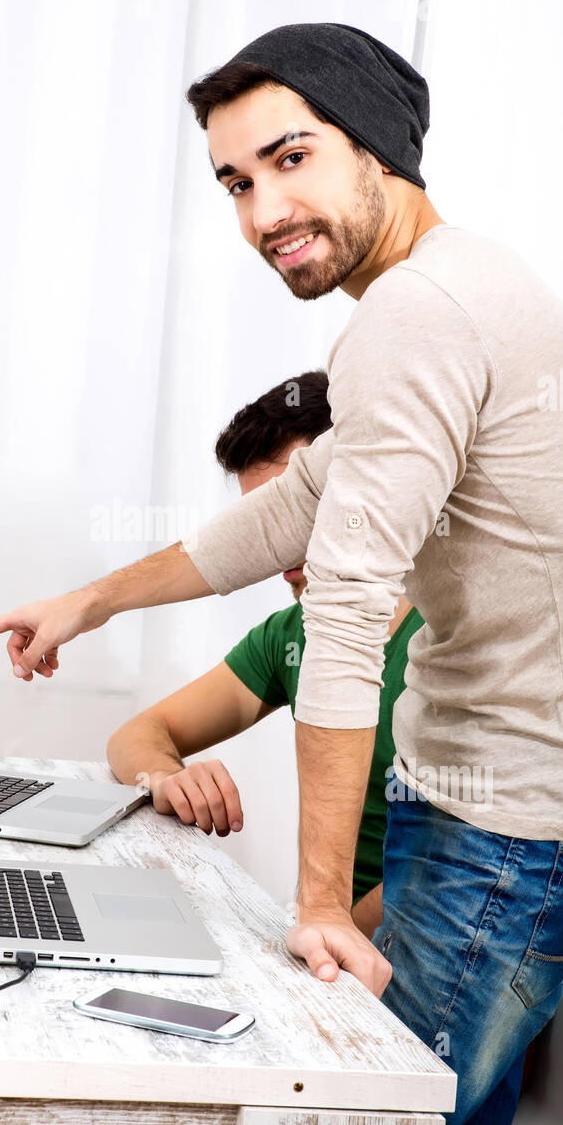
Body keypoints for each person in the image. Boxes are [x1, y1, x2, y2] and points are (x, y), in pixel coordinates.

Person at [0, 23, 563, 1125]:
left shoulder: (414, 316)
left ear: (377, 150)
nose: (259, 214)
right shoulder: (455, 289)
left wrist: (320, 907)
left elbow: (343, 615)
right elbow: (292, 507)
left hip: (502, 835)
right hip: (506, 826)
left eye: (290, 160)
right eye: (235, 182)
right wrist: (89, 603)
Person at [106, 369, 422, 941]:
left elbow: (446, 866)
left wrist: (326, 939)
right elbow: (137, 734)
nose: (278, 550)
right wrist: (166, 777)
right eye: (265, 525)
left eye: (295, 513)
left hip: (427, 939)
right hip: (334, 938)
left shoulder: (446, 640)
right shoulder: (292, 634)